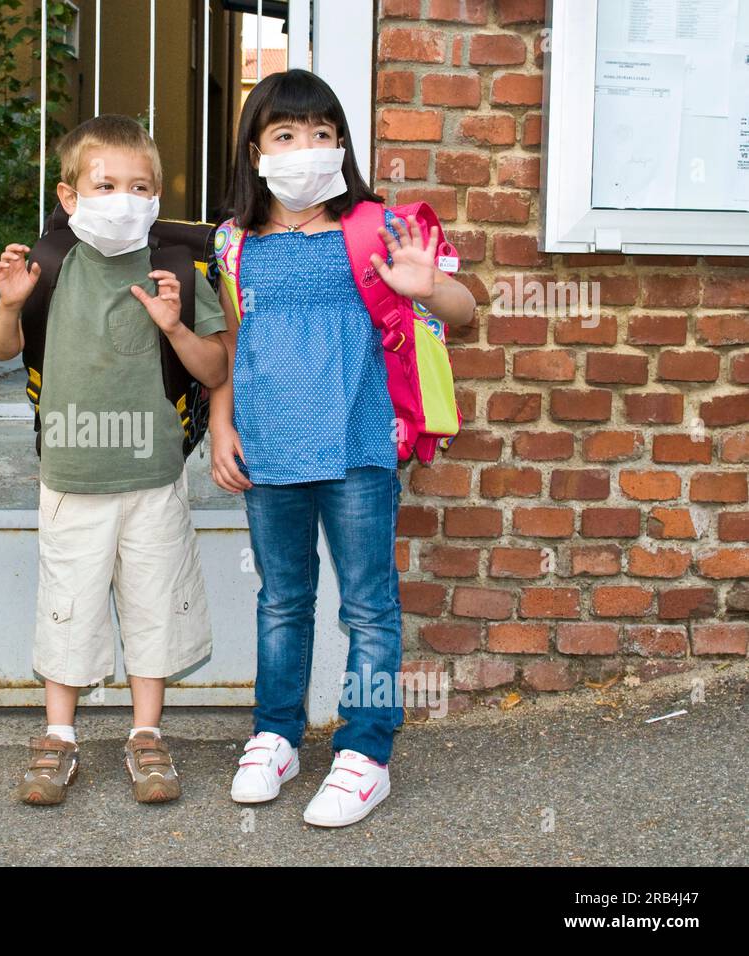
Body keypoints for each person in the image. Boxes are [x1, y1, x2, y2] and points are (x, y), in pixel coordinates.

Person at [211, 70, 475, 826]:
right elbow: (234, 340)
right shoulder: (233, 243)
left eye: (323, 134)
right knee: (283, 600)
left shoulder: (375, 226)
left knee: (367, 605)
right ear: (256, 150)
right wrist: (223, 425)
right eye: (287, 135)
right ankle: (276, 735)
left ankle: (365, 750)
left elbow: (463, 307)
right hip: (270, 448)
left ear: (342, 145)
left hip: (360, 444)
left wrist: (429, 288)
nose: (306, 149)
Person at [0, 114, 228, 805]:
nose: (124, 198)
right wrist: (8, 305)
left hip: (154, 478)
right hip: (71, 480)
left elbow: (214, 368)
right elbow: (5, 349)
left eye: (140, 186)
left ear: (157, 197)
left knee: (154, 603)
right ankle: (58, 735)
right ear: (69, 197)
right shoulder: (50, 267)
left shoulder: (178, 269)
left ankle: (146, 733)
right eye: (106, 184)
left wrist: (175, 325)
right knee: (68, 604)